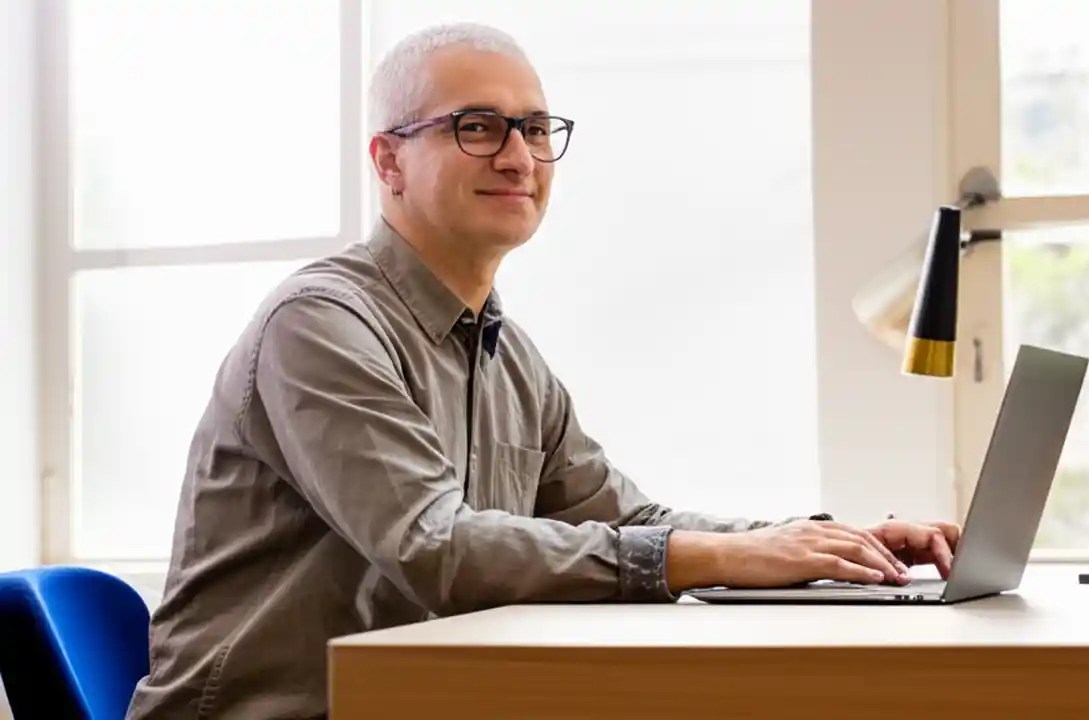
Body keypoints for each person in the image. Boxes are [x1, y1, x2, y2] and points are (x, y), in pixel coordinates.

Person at [127, 22, 960, 719]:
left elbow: (636, 517)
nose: (519, 155)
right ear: (388, 162)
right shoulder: (319, 325)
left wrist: (820, 545)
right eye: (478, 126)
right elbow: (435, 548)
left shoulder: (506, 352)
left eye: (534, 128)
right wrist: (711, 557)